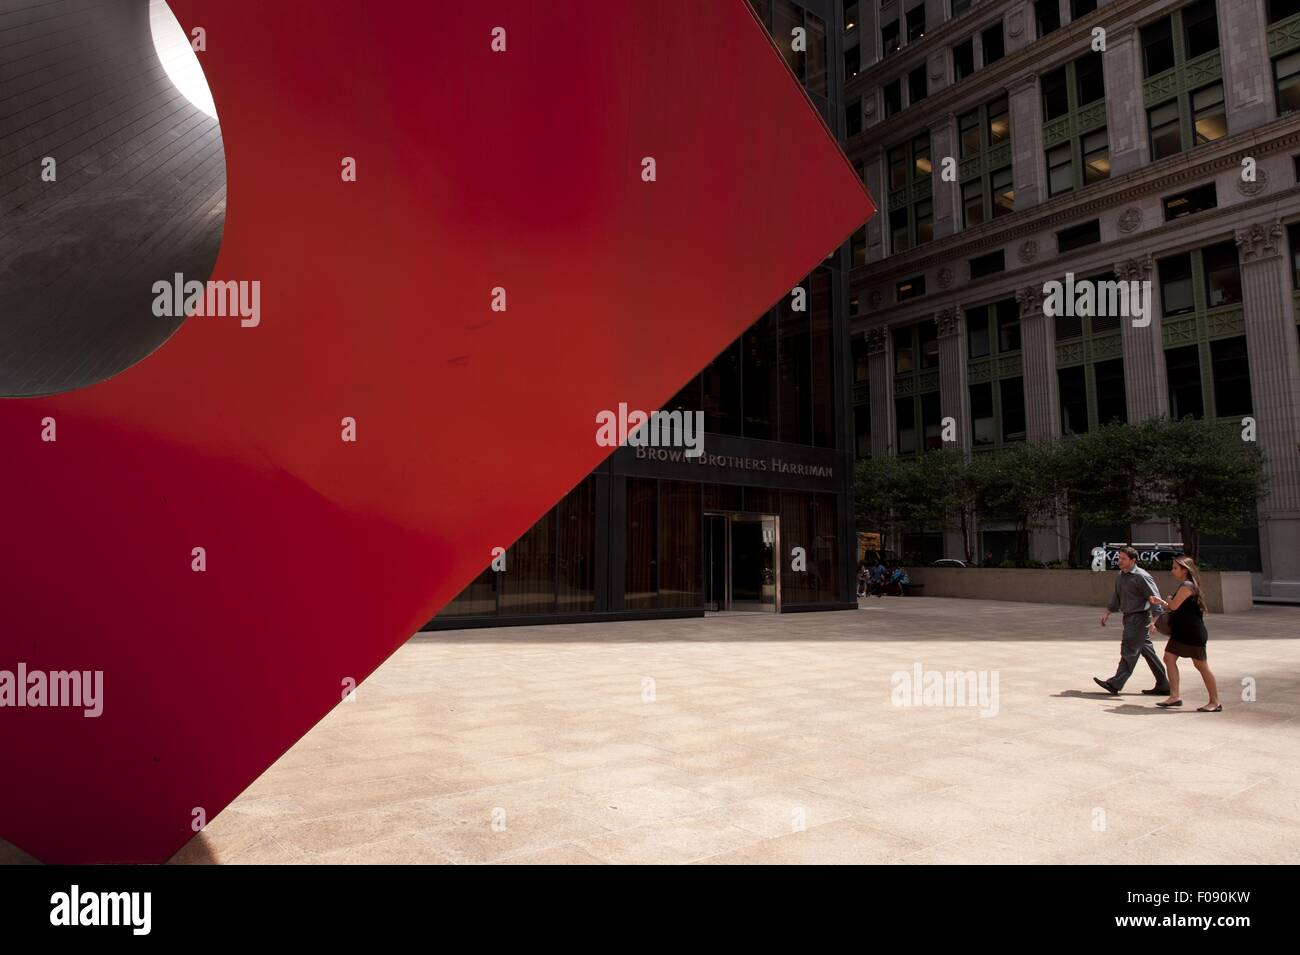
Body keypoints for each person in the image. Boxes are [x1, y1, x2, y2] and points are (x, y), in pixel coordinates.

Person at [1093, 546, 1171, 697]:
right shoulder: (1120, 575)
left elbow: (1155, 598)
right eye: (1119, 558)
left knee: (1129, 650)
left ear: (1133, 560)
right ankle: (1164, 685)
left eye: (1123, 559)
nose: (1119, 561)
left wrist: (1155, 620)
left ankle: (1115, 683)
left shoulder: (1142, 576)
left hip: (1139, 618)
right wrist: (1107, 612)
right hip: (1128, 617)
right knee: (1147, 651)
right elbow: (1116, 596)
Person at [1148, 556, 1221, 711]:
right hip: (1182, 632)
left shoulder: (1187, 585)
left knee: (1201, 666)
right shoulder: (1187, 585)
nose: (1172, 570)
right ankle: (1174, 697)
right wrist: (1162, 602)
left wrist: (1167, 600)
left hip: (1192, 632)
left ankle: (1215, 702)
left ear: (1184, 570)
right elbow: (1176, 606)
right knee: (1169, 658)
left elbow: (1173, 606)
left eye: (1175, 567)